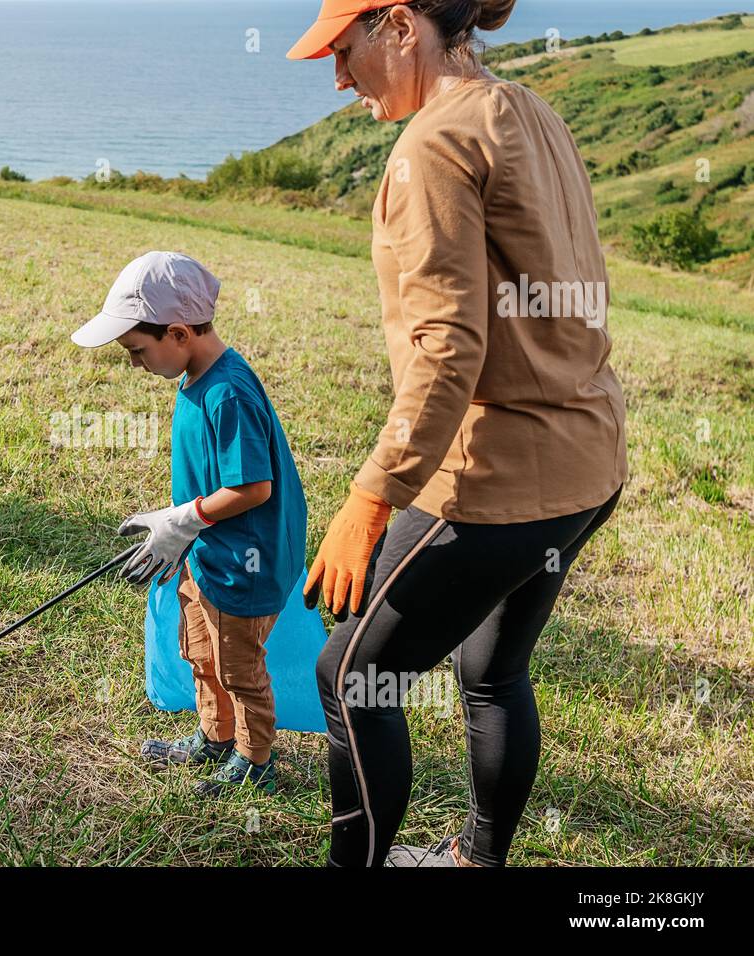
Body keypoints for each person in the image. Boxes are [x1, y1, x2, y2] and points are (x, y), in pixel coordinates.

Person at [286, 0, 627, 865]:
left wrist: (371, 497)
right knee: (492, 672)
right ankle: (477, 861)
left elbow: (447, 349)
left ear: (400, 25)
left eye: (343, 47)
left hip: (498, 478)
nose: (336, 75)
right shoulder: (529, 109)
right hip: (588, 461)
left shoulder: (432, 145)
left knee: (349, 677)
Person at [72, 252, 307, 796]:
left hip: (245, 565)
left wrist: (183, 518)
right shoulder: (196, 377)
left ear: (178, 333)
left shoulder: (227, 392)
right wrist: (184, 531)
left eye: (137, 351)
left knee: (238, 668)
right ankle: (214, 737)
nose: (134, 364)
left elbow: (254, 488)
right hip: (206, 553)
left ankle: (255, 761)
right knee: (200, 650)